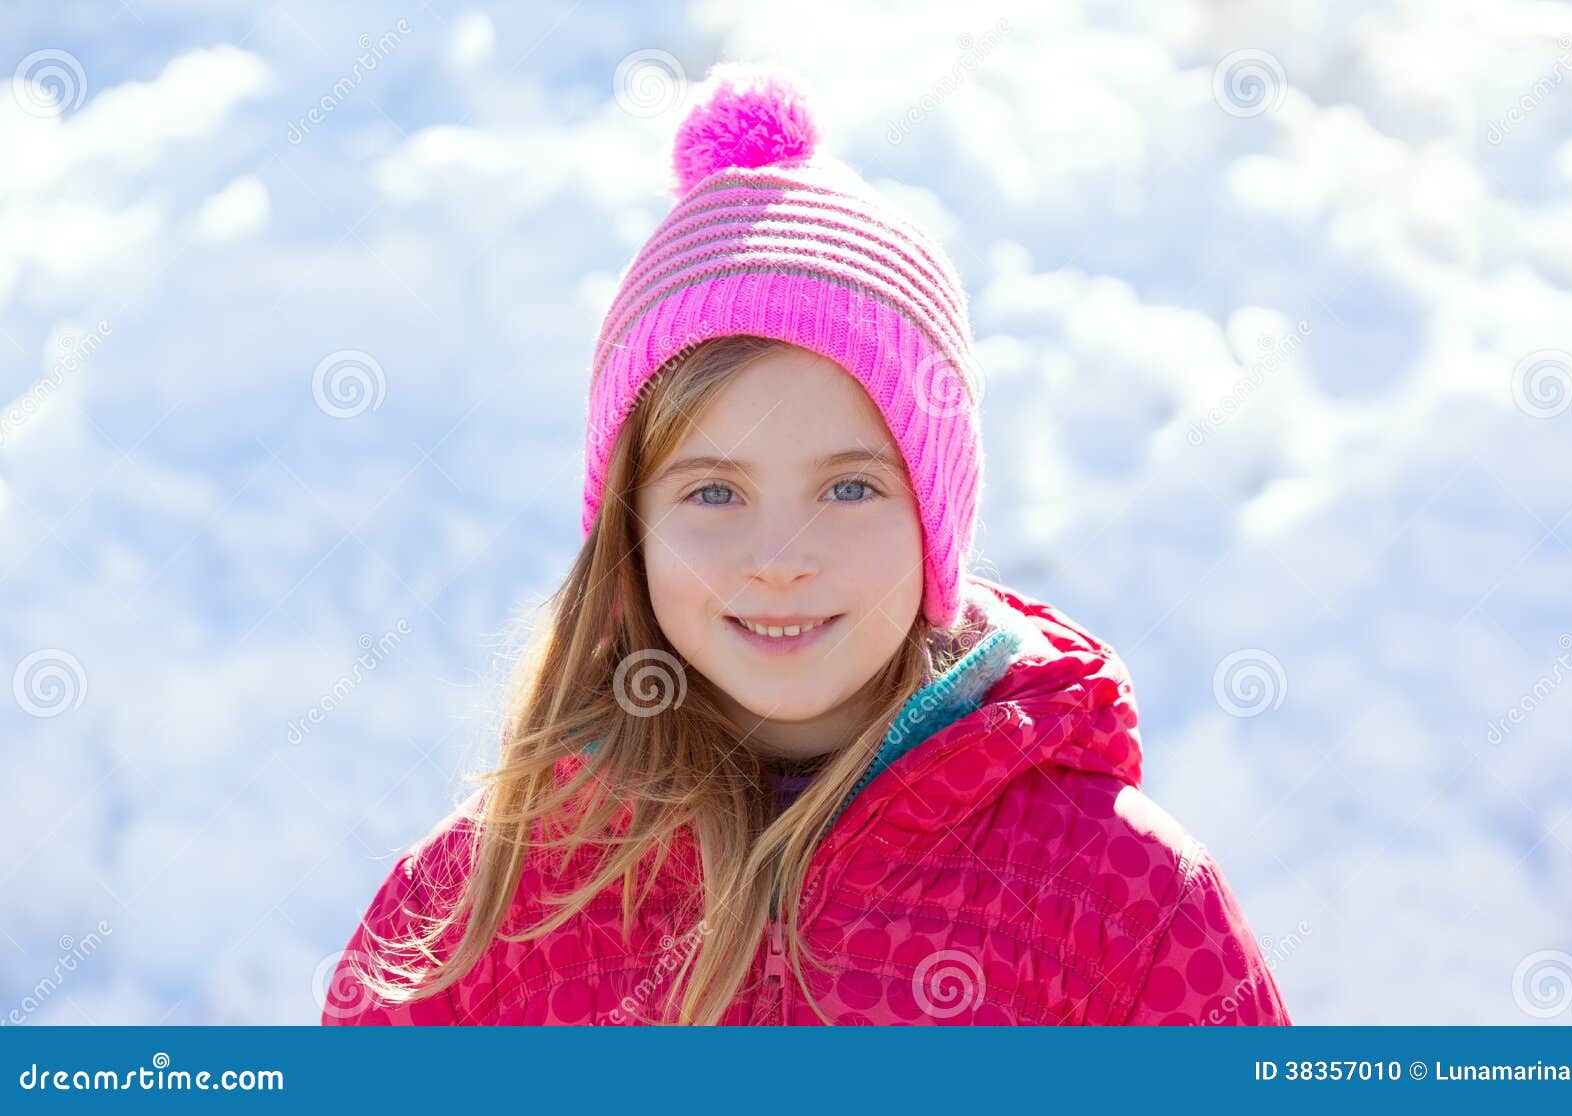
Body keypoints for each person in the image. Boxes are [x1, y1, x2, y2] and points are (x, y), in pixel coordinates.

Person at [319, 62, 1291, 1026]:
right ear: (631, 531)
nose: (780, 556)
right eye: (713, 492)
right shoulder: (476, 910)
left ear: (932, 519)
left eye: (849, 486)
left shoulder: (1121, 902)